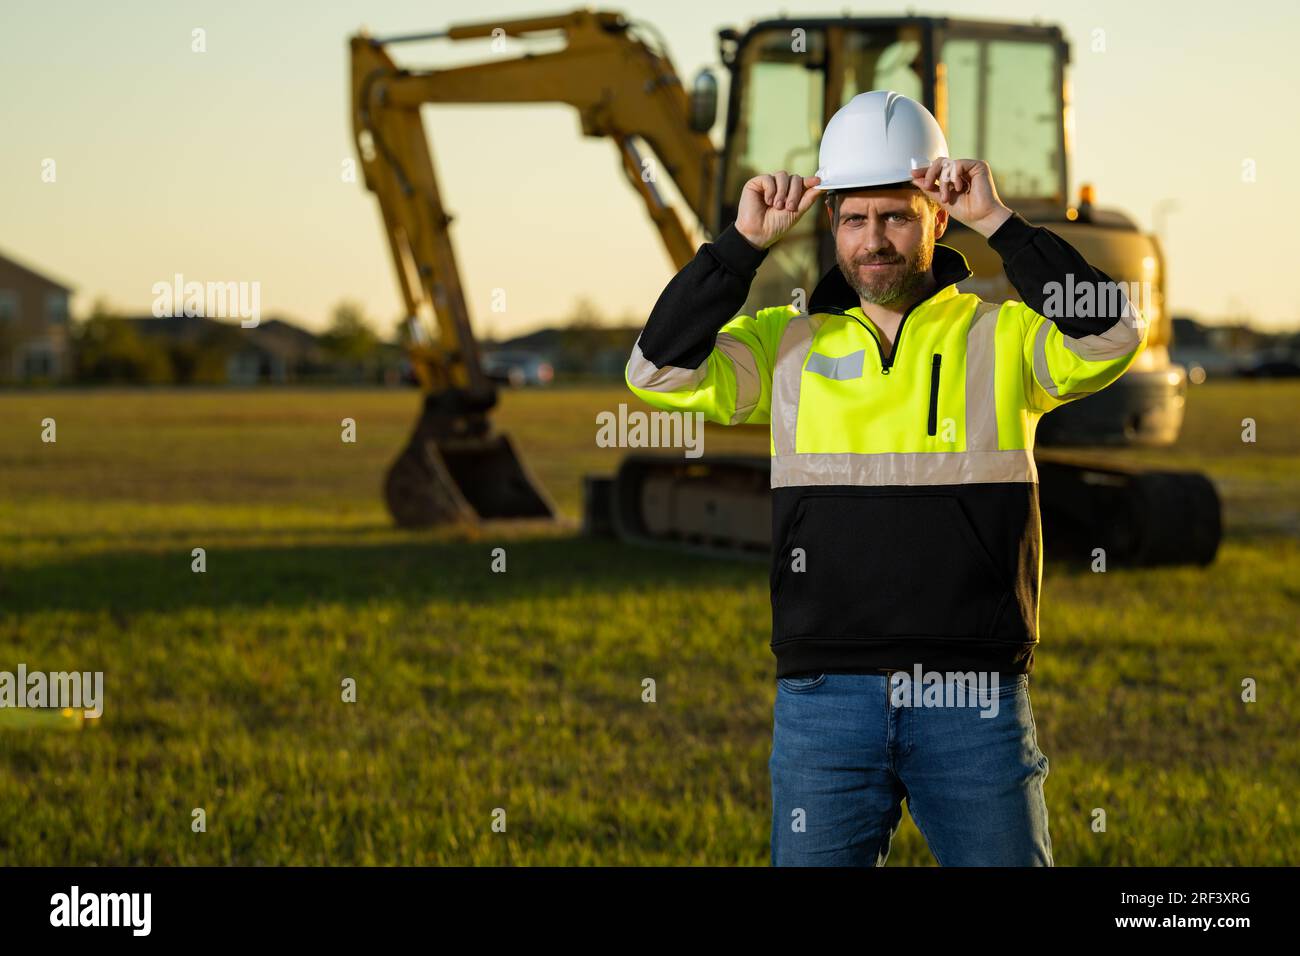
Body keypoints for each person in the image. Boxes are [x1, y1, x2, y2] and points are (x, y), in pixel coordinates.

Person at [625, 91, 1147, 865]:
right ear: (833, 225)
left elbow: (1109, 332)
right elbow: (656, 372)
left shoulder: (1003, 337)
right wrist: (738, 245)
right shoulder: (783, 344)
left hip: (972, 699)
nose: (876, 240)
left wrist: (1003, 224)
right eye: (855, 219)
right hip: (824, 701)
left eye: (897, 216)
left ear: (938, 216)